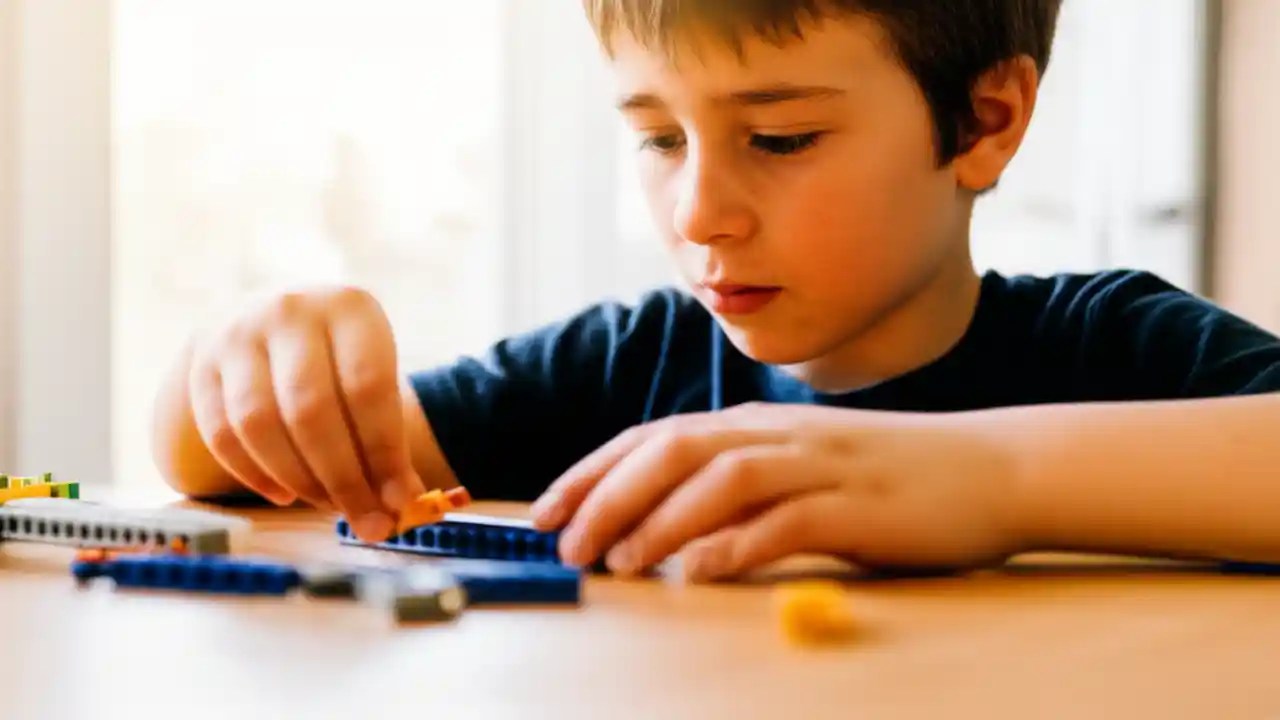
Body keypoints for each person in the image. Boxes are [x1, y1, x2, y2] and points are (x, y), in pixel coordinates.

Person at [151, 0, 1280, 583]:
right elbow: (233, 468)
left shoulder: (1106, 346)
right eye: (655, 138)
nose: (697, 214)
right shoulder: (623, 367)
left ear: (984, 123)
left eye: (780, 137)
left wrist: (985, 481)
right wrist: (239, 365)